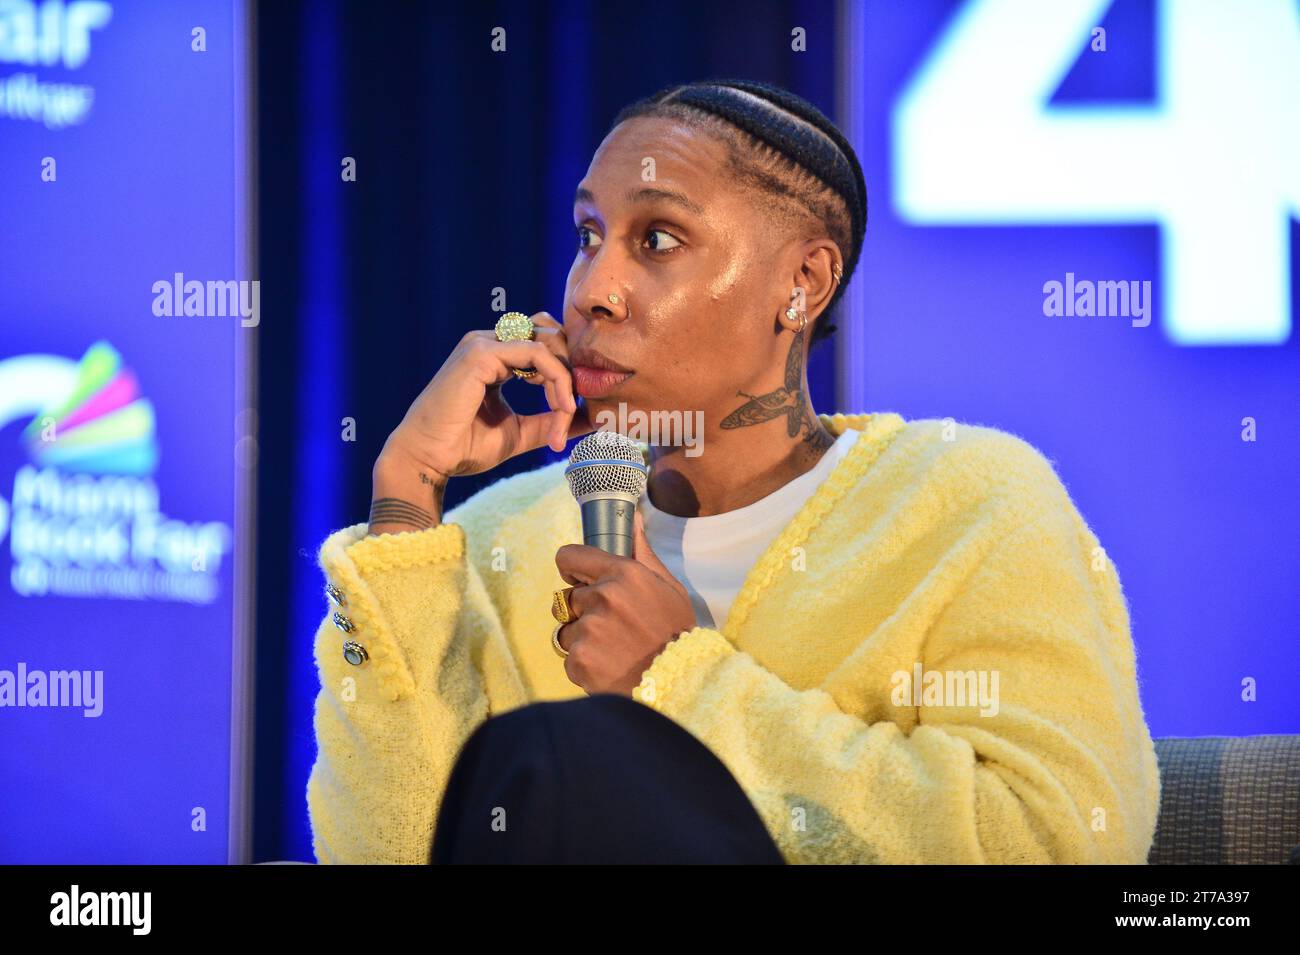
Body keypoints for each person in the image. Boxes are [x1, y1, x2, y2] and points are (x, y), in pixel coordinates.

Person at [306, 78, 1161, 865]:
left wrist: (677, 677)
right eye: (588, 237)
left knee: (570, 752)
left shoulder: (970, 503)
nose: (592, 290)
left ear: (802, 283)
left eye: (657, 239)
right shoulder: (505, 535)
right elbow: (395, 850)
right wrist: (408, 496)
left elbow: (1055, 840)